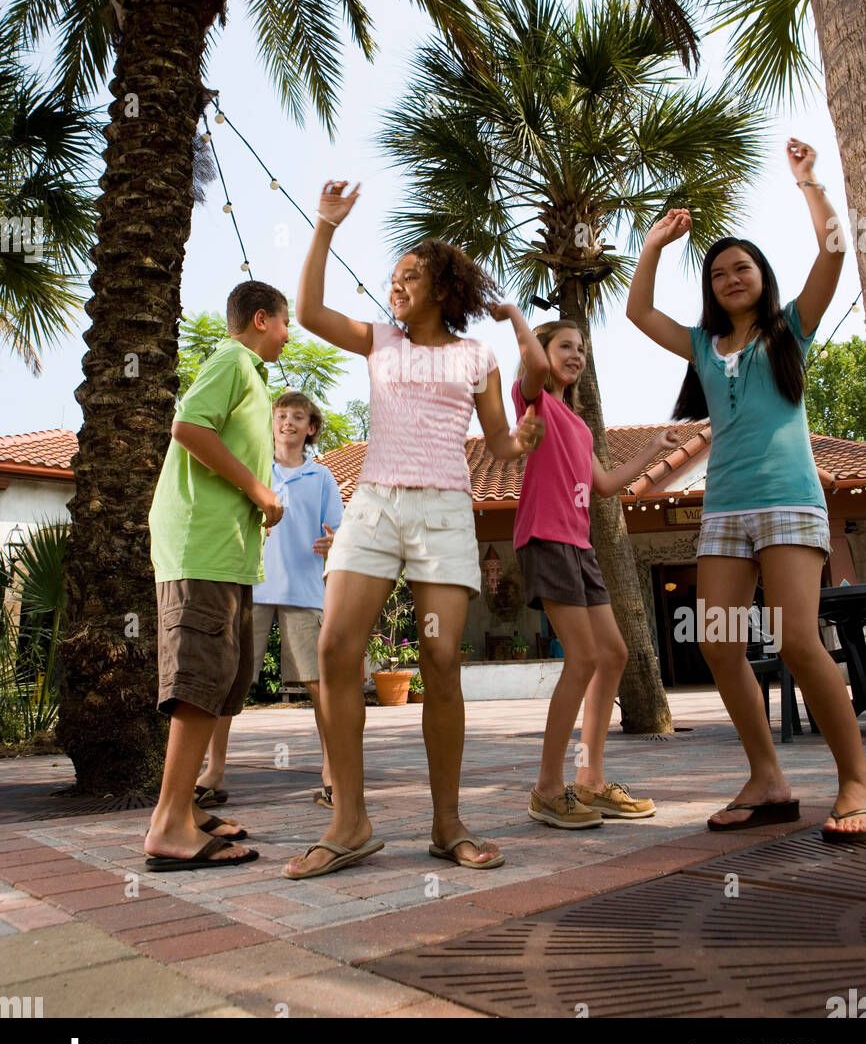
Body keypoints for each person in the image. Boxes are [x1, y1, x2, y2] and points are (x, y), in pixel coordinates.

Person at [283, 181, 545, 879]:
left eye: (409, 276)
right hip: (373, 503)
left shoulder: (476, 356)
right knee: (338, 648)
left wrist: (520, 437)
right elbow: (307, 311)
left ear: (443, 287)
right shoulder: (379, 339)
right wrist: (325, 225)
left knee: (441, 662)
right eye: (392, 277)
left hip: (442, 513)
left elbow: (496, 442)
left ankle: (446, 821)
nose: (395, 286)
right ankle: (350, 822)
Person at [626, 137, 866, 843]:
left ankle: (854, 779)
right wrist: (654, 247)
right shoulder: (703, 344)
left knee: (797, 639)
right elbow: (640, 313)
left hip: (789, 499)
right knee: (721, 642)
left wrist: (809, 181)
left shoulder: (790, 329)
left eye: (743, 268)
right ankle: (769, 779)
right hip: (725, 510)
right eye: (721, 272)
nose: (732, 278)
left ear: (762, 276)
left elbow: (833, 255)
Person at [510, 313, 677, 828]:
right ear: (542, 353)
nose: (575, 355)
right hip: (545, 538)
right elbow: (533, 366)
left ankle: (591, 780)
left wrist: (652, 450)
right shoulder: (532, 401)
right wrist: (519, 319)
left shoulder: (579, 425)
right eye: (564, 346)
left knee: (613, 653)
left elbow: (605, 485)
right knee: (582, 658)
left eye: (581, 348)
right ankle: (546, 788)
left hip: (580, 546)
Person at [144, 281, 287, 870]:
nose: (288, 332)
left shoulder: (252, 376)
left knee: (220, 677)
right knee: (199, 676)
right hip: (200, 549)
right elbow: (189, 428)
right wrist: (259, 489)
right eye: (285, 322)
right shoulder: (233, 360)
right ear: (259, 319)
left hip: (225, 551)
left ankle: (186, 810)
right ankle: (169, 825)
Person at [199, 392, 344, 808]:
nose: (288, 423)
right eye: (281, 415)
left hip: (305, 591)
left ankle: (332, 774)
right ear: (272, 422)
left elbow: (340, 534)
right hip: (252, 586)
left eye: (298, 417)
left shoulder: (322, 478)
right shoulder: (253, 471)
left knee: (320, 686)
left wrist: (335, 542)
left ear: (310, 427)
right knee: (229, 680)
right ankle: (213, 772)